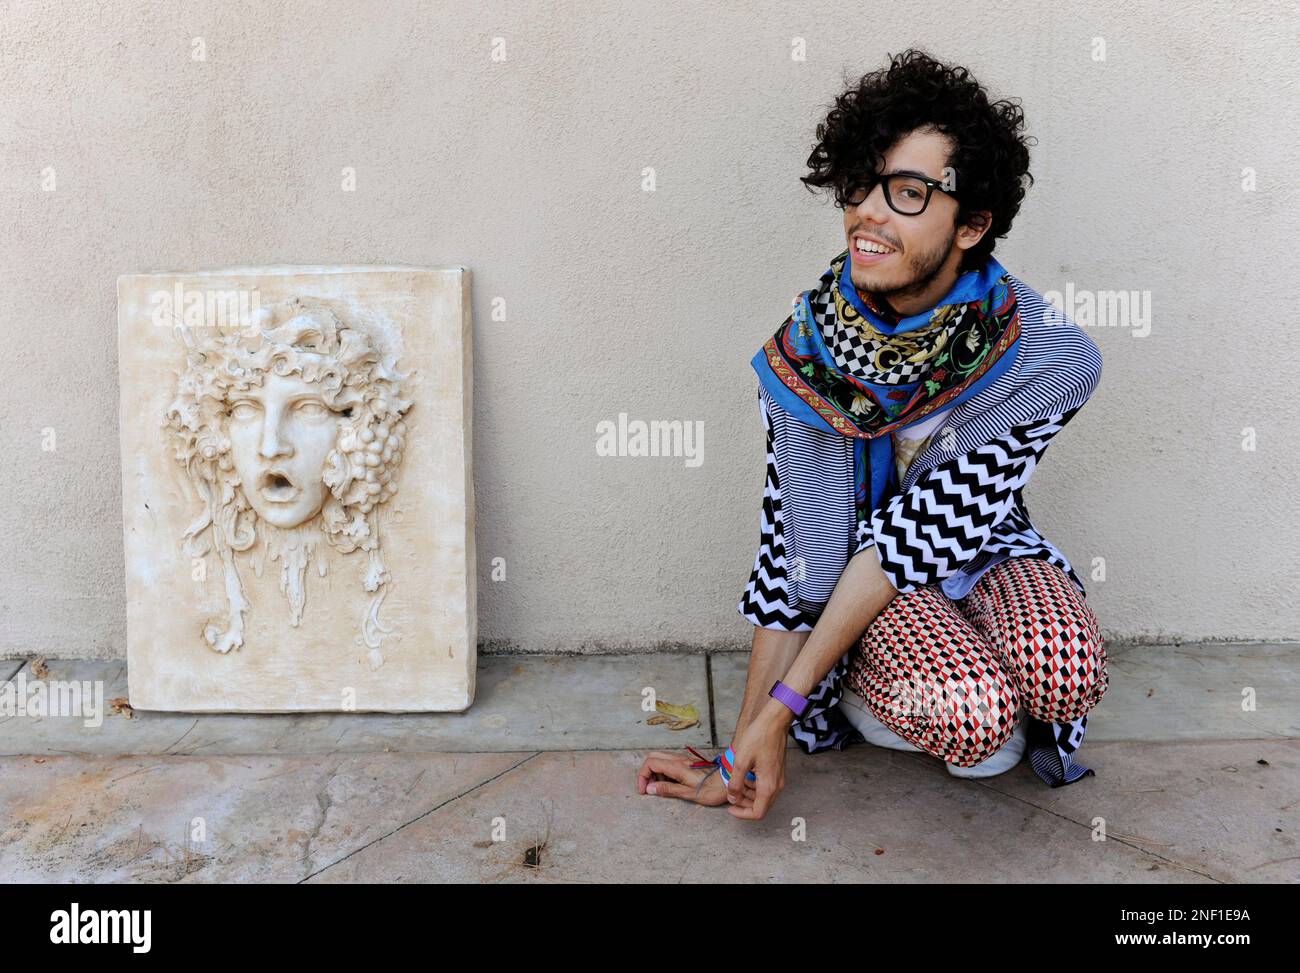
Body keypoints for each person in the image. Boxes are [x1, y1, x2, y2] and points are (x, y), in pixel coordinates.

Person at [638, 49, 1107, 820]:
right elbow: (791, 554)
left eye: (910, 192)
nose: (869, 211)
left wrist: (770, 718)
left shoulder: (1051, 356)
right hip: (849, 584)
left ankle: (946, 661)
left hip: (972, 545)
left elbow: (921, 535)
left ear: (973, 224)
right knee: (977, 722)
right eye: (862, 183)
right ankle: (864, 680)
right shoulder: (806, 352)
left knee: (1065, 669)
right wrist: (756, 734)